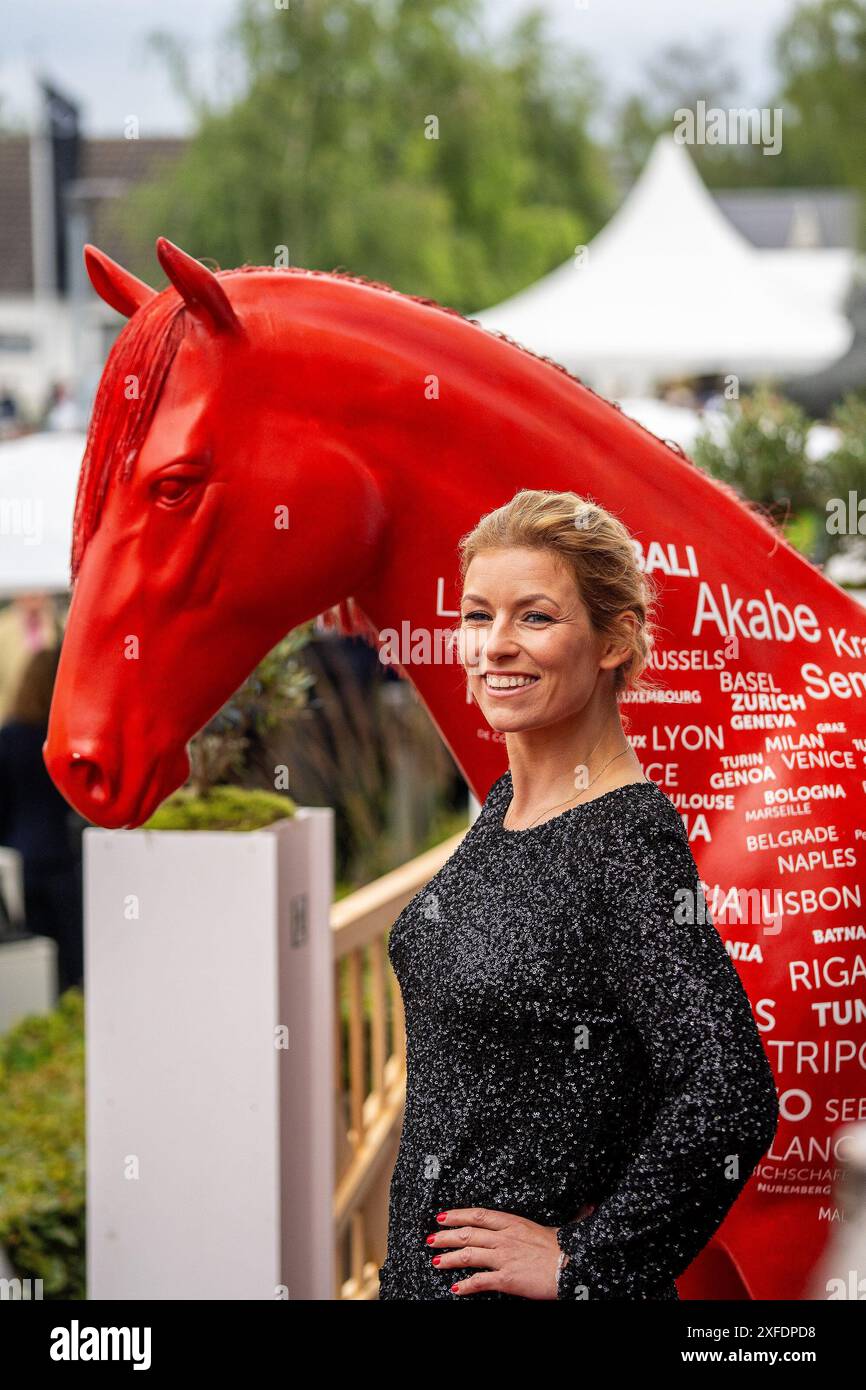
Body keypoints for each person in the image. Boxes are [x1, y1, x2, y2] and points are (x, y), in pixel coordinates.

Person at [377, 489, 779, 1301]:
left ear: (613, 639)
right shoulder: (507, 804)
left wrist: (586, 1264)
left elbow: (730, 1090)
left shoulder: (622, 839)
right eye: (475, 615)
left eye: (534, 617)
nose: (494, 646)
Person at [0, 644, 84, 994]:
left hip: (23, 856)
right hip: (66, 856)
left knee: (37, 952)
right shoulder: (67, 738)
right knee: (75, 953)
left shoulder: (9, 738)